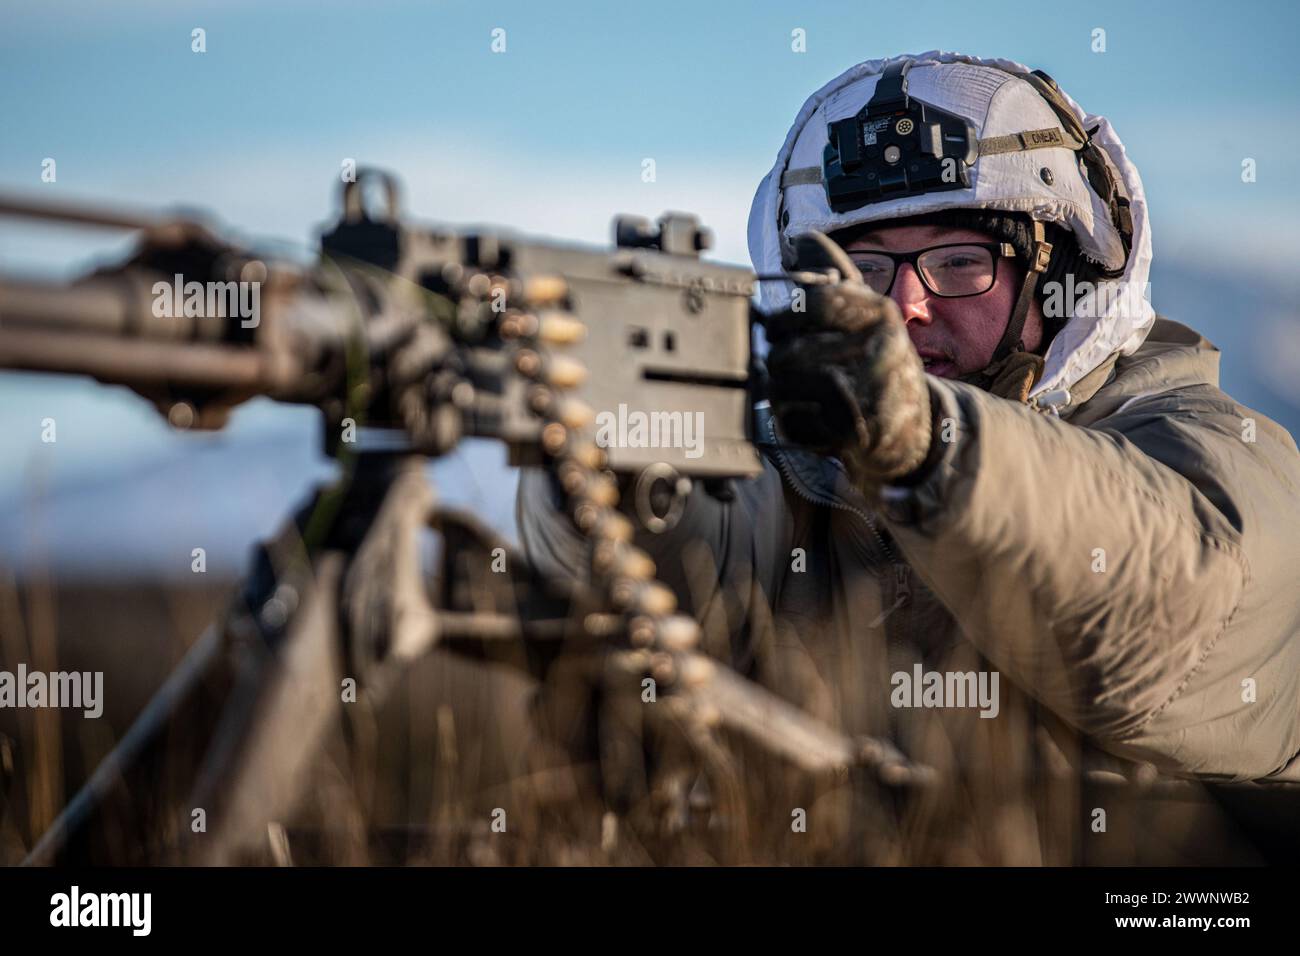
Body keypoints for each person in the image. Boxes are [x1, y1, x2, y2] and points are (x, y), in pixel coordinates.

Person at [518, 51, 1300, 860]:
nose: (905, 307)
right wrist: (605, 471)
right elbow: (696, 557)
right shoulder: (808, 459)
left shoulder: (1228, 457)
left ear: (1062, 275)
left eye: (959, 263)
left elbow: (1171, 602)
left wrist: (929, 442)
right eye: (863, 268)